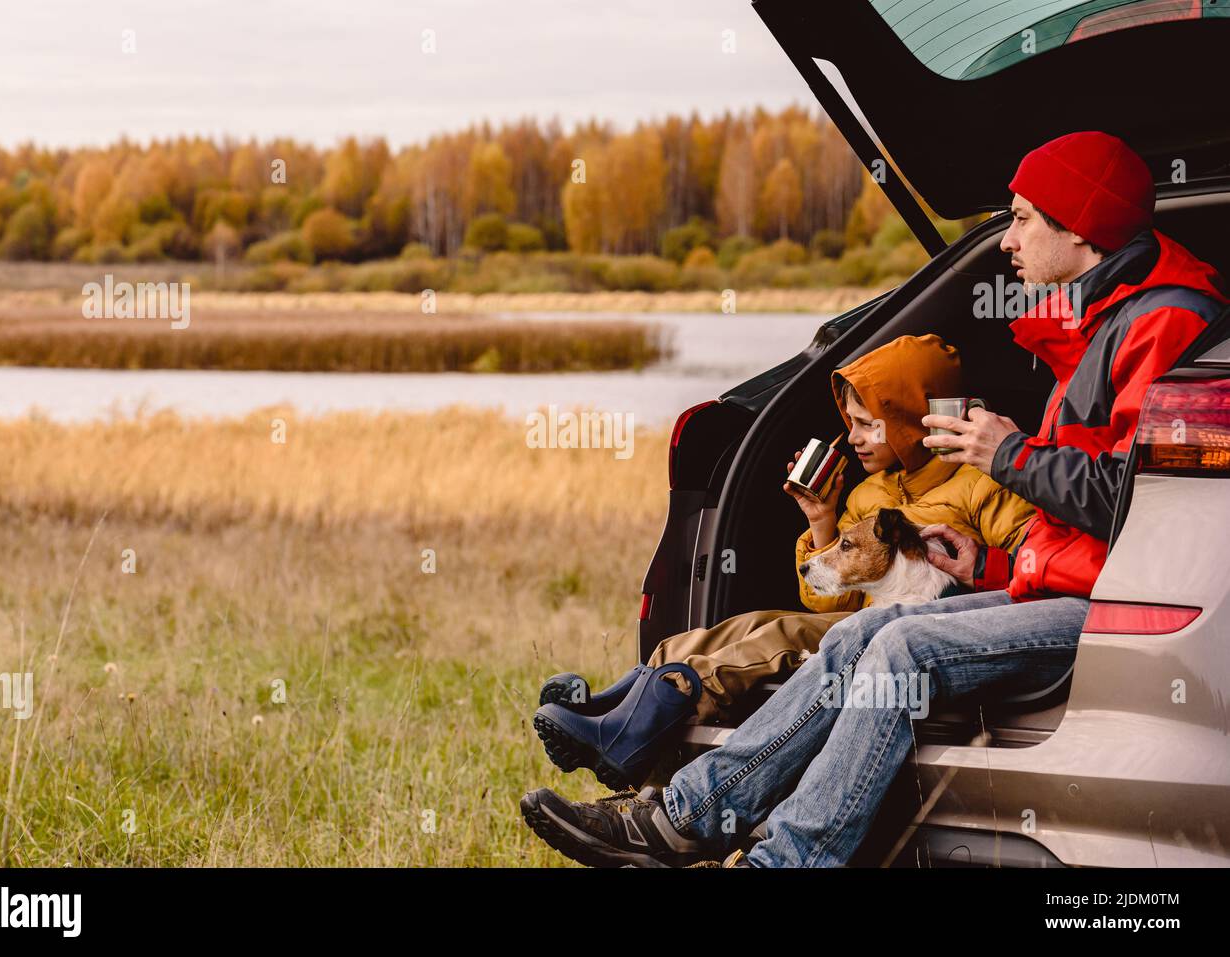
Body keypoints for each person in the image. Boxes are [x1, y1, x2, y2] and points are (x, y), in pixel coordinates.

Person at [519, 130, 1228, 867]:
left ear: (1078, 224)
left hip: (1117, 610)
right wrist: (985, 565)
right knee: (854, 635)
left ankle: (786, 860)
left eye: (1022, 218)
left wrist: (1007, 453)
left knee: (902, 644)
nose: (1007, 241)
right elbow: (1086, 517)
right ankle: (683, 817)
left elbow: (1143, 502)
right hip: (1059, 589)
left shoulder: (1165, 322)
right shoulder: (1103, 321)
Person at [531, 333, 1035, 792]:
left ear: (906, 420)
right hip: (858, 620)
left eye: (867, 425)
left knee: (783, 637)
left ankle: (630, 737)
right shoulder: (869, 493)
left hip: (915, 629)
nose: (854, 438)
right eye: (850, 424)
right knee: (746, 624)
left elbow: (1029, 562)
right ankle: (613, 708)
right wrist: (822, 520)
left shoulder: (980, 482)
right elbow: (824, 595)